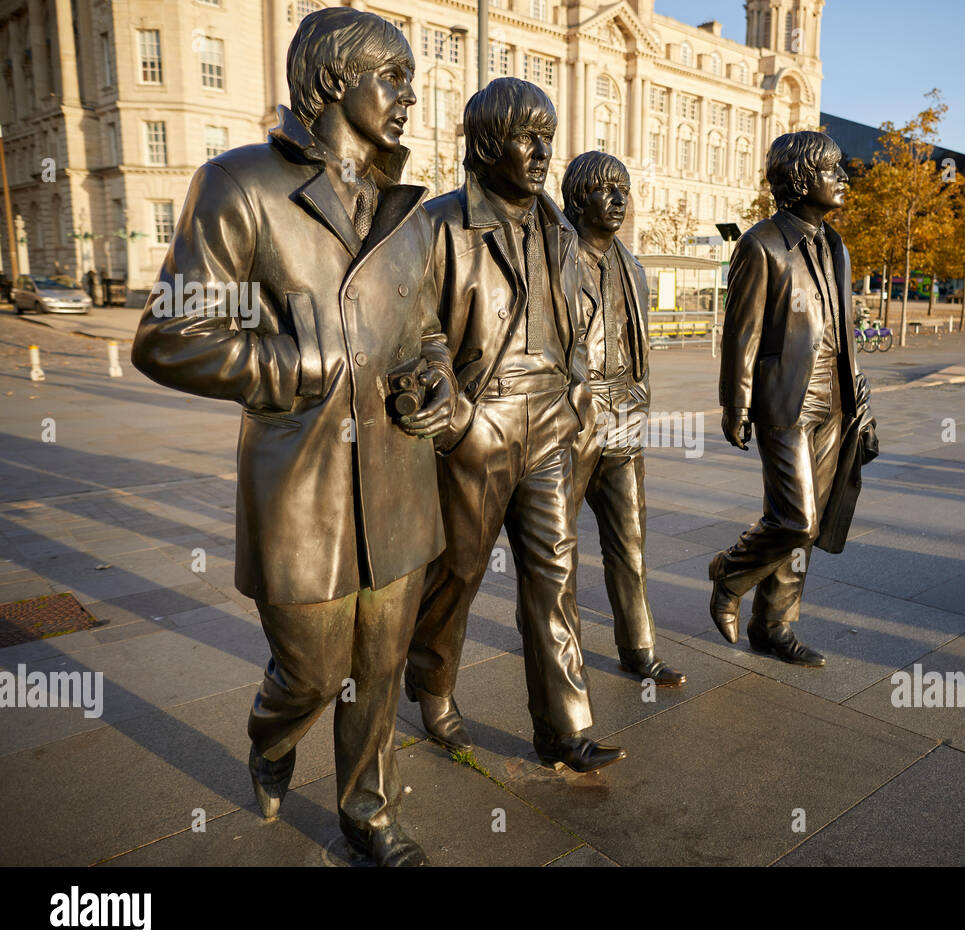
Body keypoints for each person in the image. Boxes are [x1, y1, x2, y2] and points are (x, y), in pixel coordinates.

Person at [132, 8, 454, 866]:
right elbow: (167, 337)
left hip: (399, 481)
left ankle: (370, 813)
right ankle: (274, 734)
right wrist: (287, 365)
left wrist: (437, 378)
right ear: (330, 80)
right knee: (312, 670)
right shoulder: (240, 185)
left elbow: (426, 333)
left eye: (410, 78)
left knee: (382, 668)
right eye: (391, 75)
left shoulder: (408, 213)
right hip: (302, 486)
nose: (408, 96)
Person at [405, 78, 626, 774]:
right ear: (488, 143)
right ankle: (433, 683)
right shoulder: (439, 224)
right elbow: (415, 333)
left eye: (547, 137)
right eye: (527, 137)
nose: (541, 152)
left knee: (556, 575)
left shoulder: (560, 229)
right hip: (482, 422)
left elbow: (577, 327)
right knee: (459, 573)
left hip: (551, 426)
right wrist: (458, 421)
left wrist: (580, 395)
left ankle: (565, 729)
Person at [710, 131, 873, 667]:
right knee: (795, 519)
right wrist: (735, 405)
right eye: (833, 170)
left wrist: (862, 405)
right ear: (802, 178)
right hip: (785, 403)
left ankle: (774, 625)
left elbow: (844, 330)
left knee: (812, 525)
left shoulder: (836, 246)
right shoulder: (761, 244)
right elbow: (742, 333)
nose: (844, 179)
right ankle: (730, 575)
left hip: (836, 402)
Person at [561, 151, 685, 688]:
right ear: (577, 197)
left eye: (623, 190)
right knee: (555, 550)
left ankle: (639, 648)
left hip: (626, 416)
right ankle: (557, 654)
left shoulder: (632, 266)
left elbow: (641, 345)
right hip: (571, 419)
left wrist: (640, 397)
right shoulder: (555, 257)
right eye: (605, 189)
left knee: (629, 543)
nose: (618, 201)